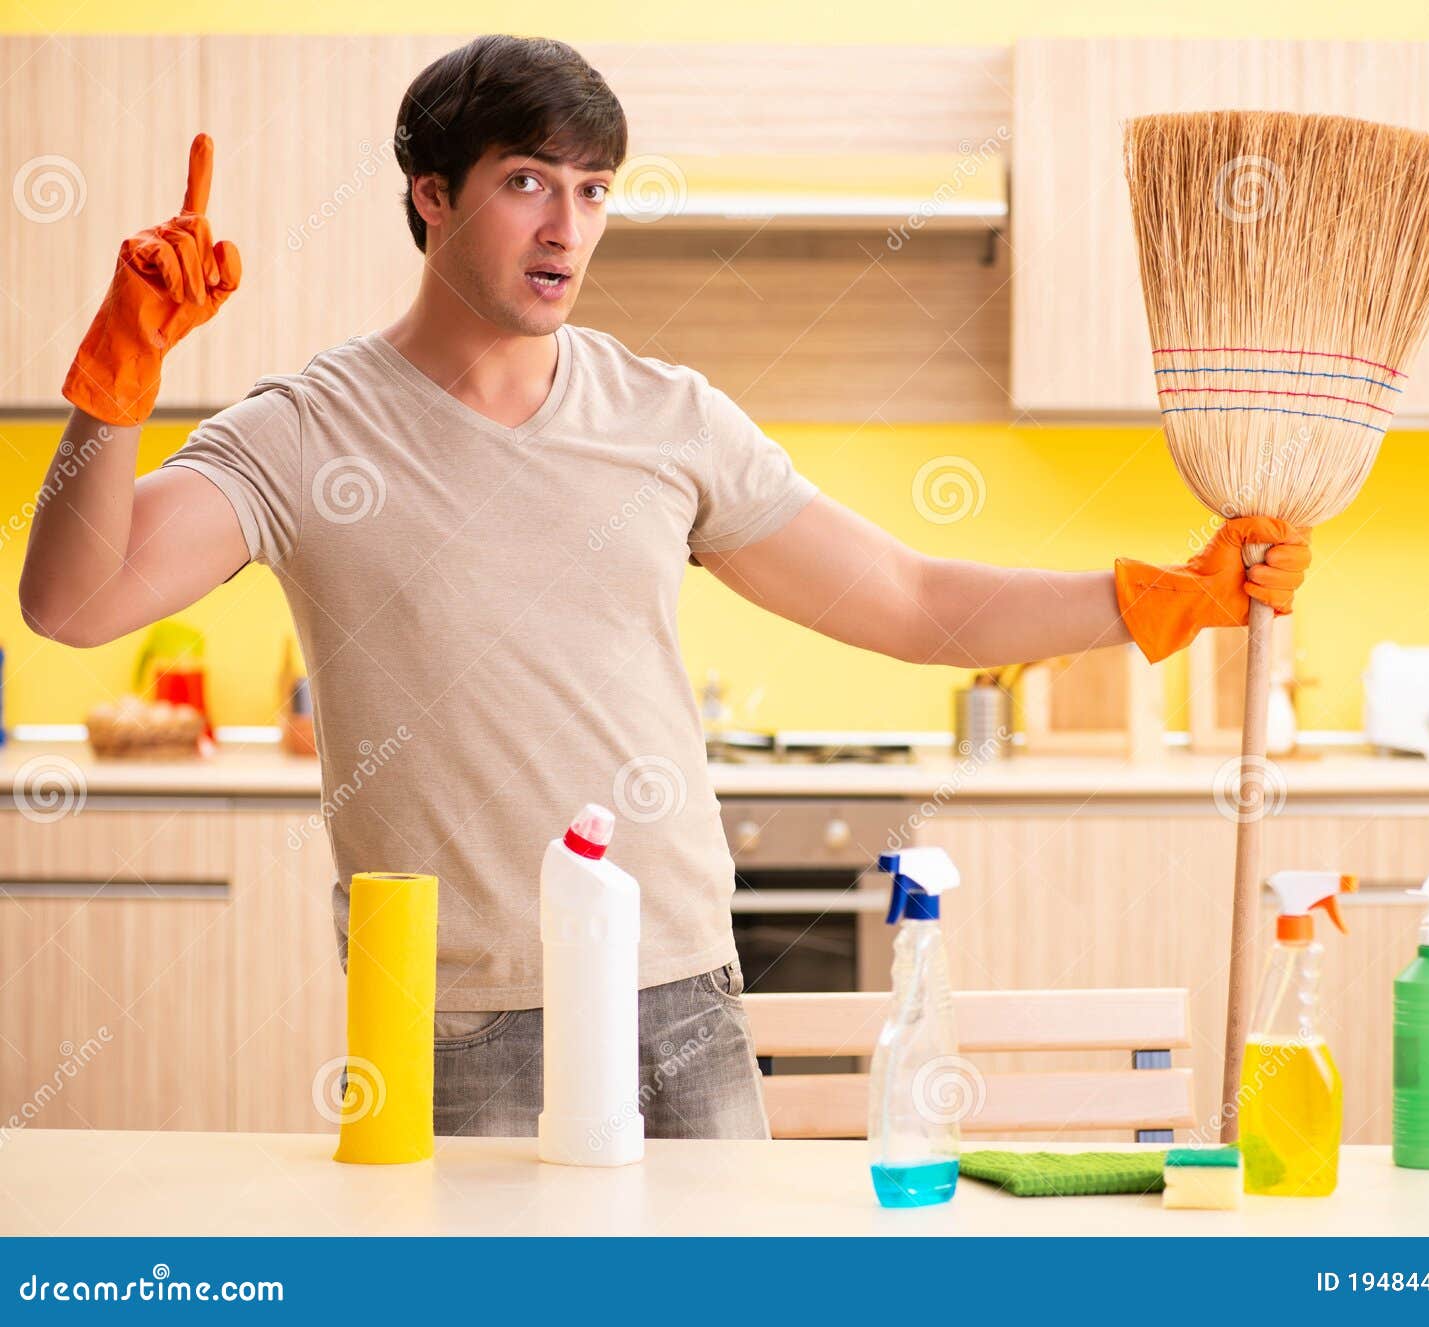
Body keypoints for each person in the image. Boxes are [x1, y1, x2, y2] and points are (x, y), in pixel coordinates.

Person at [19, 35, 1309, 1141]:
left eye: (591, 188)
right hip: (451, 1019)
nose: (565, 224)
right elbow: (74, 602)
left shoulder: (669, 417)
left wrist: (1152, 598)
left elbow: (914, 603)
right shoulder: (308, 430)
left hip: (677, 998)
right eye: (525, 182)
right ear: (431, 198)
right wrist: (115, 385)